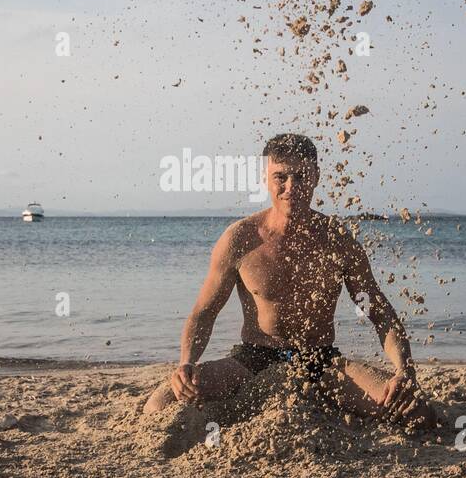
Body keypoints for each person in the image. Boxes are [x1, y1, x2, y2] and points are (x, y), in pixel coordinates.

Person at [143, 133, 442, 430]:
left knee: (417, 412)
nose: (291, 187)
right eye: (280, 177)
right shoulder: (240, 239)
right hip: (253, 361)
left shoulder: (337, 241)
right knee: (161, 404)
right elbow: (205, 312)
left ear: (316, 177)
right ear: (265, 178)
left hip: (323, 363)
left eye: (301, 177)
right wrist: (187, 362)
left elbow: (378, 312)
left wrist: (404, 369)